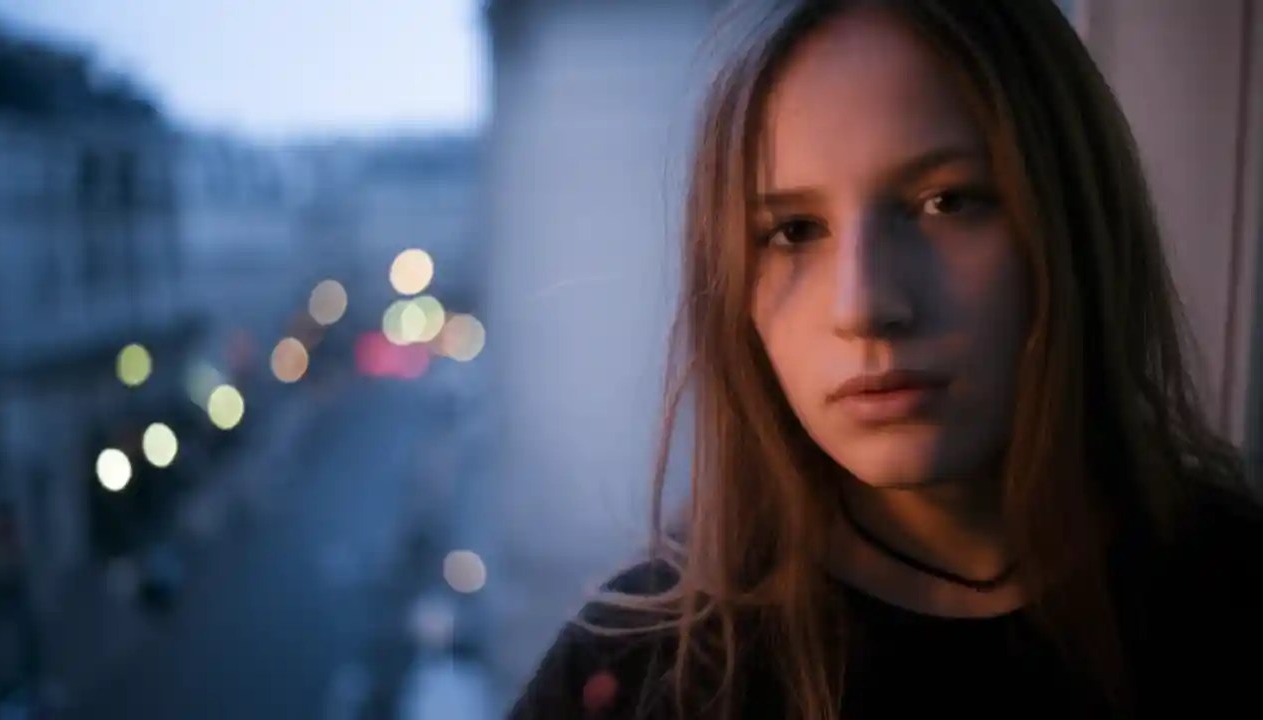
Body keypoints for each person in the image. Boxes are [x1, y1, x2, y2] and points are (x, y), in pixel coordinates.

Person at [506, 0, 1263, 717]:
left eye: (947, 201)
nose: (865, 305)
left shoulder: (1228, 595)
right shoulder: (644, 678)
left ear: (1071, 216)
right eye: (794, 231)